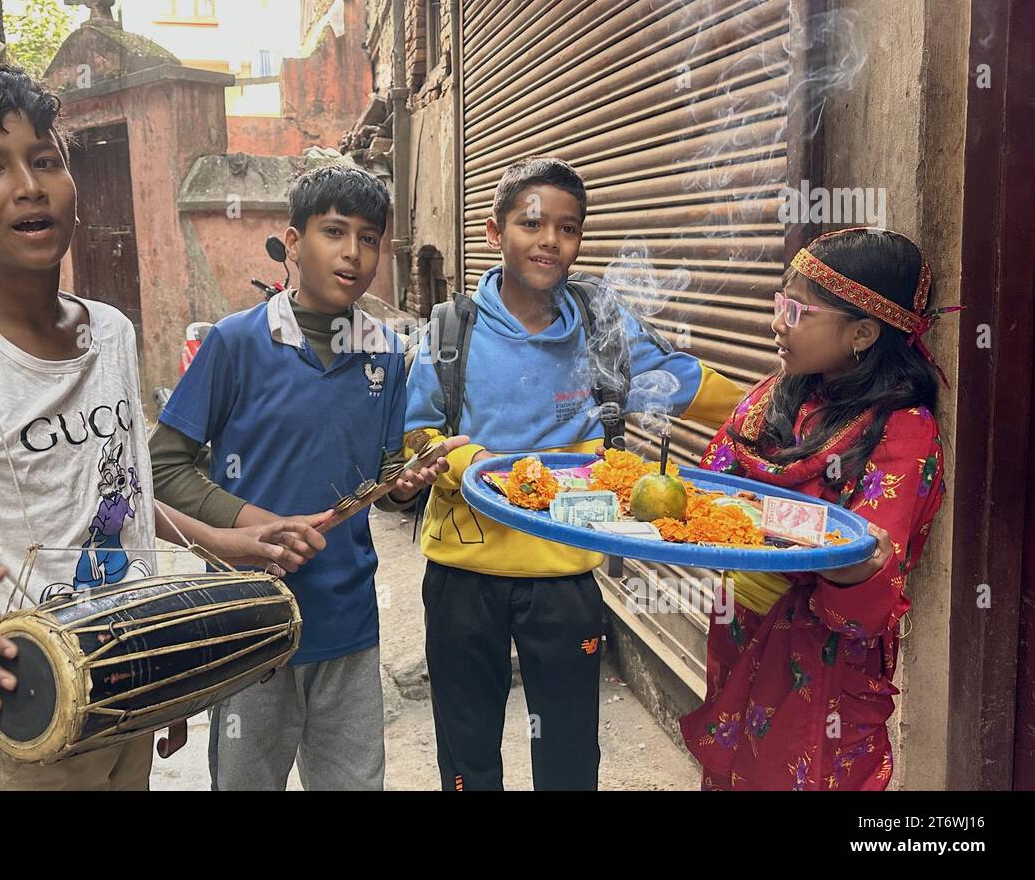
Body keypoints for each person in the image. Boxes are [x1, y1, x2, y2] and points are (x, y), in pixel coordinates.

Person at [0, 61, 330, 791]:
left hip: (122, 681)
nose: (29, 183)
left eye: (46, 159)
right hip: (18, 718)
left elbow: (121, 490)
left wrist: (169, 625)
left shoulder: (110, 332)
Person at [404, 156, 746, 791]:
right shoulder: (452, 331)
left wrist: (768, 406)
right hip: (462, 573)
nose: (550, 241)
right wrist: (467, 464)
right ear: (493, 231)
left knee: (567, 753)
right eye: (532, 223)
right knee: (466, 749)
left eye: (568, 228)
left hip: (564, 572)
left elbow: (678, 381)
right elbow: (418, 430)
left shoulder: (600, 325)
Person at [152, 162, 464, 790]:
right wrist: (253, 523)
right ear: (293, 243)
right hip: (250, 623)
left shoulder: (385, 354)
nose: (353, 252)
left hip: (348, 621)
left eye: (370, 237)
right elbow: (161, 468)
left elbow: (381, 473)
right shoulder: (236, 344)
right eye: (334, 231)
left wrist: (407, 483)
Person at [680, 227, 957, 790]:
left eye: (799, 310)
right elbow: (708, 491)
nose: (778, 322)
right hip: (741, 623)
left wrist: (845, 557)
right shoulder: (775, 394)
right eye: (780, 303)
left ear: (862, 333)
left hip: (821, 654)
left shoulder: (902, 432)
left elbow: (867, 578)